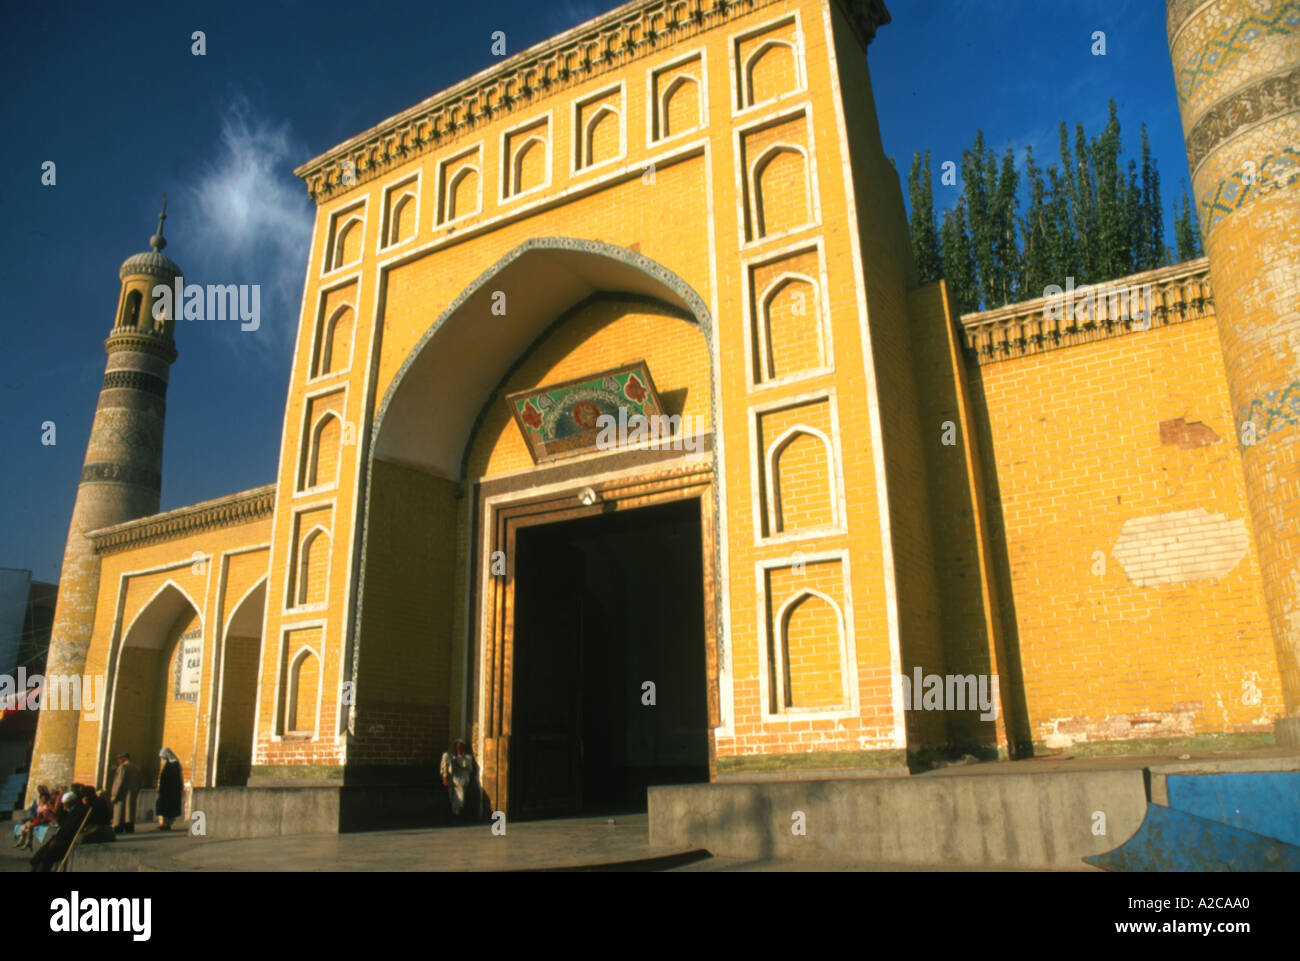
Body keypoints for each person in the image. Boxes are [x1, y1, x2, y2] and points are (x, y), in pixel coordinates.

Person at [29, 791, 87, 872]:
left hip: (64, 840)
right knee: (40, 854)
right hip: (59, 837)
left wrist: (56, 840)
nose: (64, 806)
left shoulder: (78, 812)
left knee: (47, 856)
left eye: (65, 804)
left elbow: (68, 829)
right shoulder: (70, 812)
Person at [439, 738, 476, 821]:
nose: (458, 748)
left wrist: (459, 759)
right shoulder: (450, 756)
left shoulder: (467, 758)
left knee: (459, 795)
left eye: (461, 746)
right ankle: (454, 811)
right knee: (452, 795)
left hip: (461, 778)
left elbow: (467, 767)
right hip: (452, 777)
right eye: (457, 746)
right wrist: (445, 777)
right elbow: (446, 766)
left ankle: (457, 813)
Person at [109, 751, 141, 834]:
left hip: (122, 795)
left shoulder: (122, 767)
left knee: (120, 813)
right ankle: (129, 828)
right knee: (129, 813)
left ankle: (118, 828)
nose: (118, 761)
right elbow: (140, 782)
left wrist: (113, 796)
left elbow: (118, 782)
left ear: (122, 759)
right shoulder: (136, 768)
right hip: (132, 794)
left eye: (119, 759)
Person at [156, 747, 183, 830]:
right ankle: (164, 823)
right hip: (165, 791)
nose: (162, 759)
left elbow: (175, 779)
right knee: (163, 807)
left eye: (163, 757)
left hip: (171, 791)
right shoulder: (168, 764)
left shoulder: (174, 765)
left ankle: (167, 824)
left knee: (168, 808)